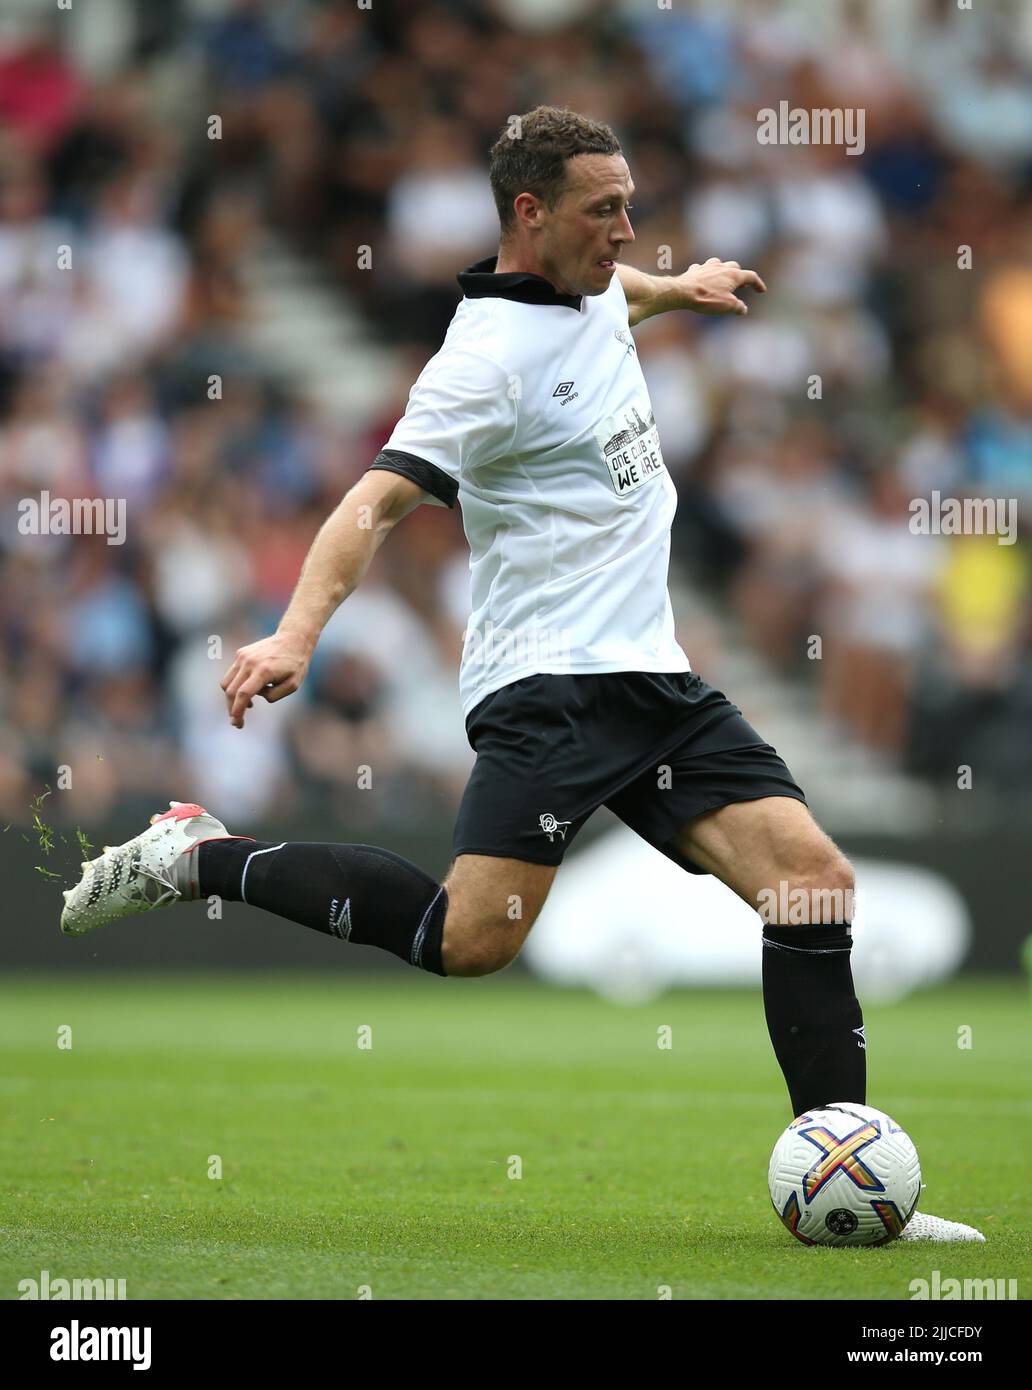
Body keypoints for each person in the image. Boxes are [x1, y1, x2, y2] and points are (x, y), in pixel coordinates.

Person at [61, 106, 980, 1241]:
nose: (626, 230)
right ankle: (201, 857)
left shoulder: (593, 288)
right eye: (606, 212)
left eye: (631, 207)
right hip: (548, 687)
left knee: (813, 884)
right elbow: (372, 503)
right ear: (529, 214)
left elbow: (610, 309)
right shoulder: (481, 364)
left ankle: (854, 1181)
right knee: (472, 940)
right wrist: (295, 634)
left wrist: (676, 285)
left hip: (655, 679)